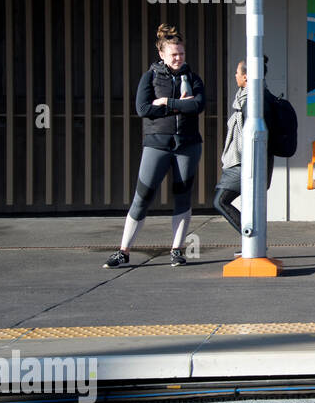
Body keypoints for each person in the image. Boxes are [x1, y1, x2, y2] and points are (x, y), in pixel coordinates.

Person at [104, 23, 206, 268]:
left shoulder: (193, 77)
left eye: (181, 53)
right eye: (173, 54)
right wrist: (178, 104)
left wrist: (166, 102)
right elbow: (142, 109)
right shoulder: (150, 76)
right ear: (161, 54)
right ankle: (123, 251)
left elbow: (198, 106)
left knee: (182, 197)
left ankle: (176, 250)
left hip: (188, 145)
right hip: (157, 144)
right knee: (143, 196)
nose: (178, 58)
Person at [213, 59, 276, 239]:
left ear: (246, 76)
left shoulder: (253, 101)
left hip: (245, 162)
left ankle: (253, 239)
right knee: (245, 204)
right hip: (249, 162)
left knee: (220, 201)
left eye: (237, 72)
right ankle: (253, 241)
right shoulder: (255, 96)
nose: (235, 76)